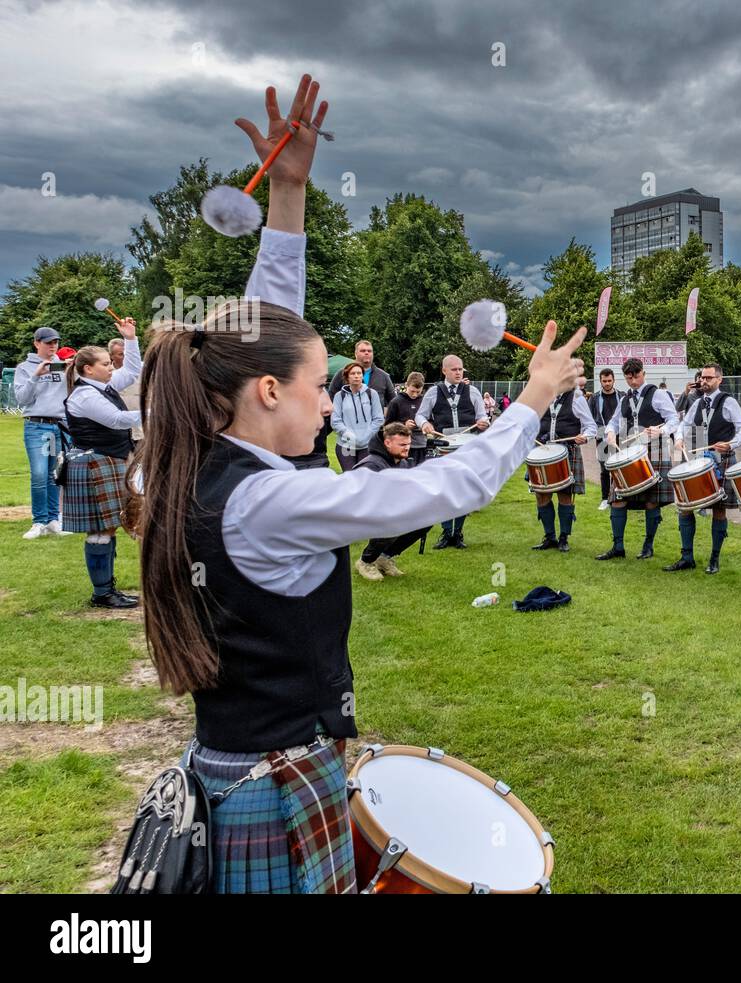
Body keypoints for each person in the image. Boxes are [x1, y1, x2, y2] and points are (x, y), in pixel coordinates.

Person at [128, 75, 587, 894]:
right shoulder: (271, 502)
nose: (327, 399)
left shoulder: (196, 457)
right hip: (270, 787)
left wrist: (290, 194)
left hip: (230, 768)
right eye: (317, 387)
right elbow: (445, 488)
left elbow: (264, 331)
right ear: (268, 394)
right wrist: (534, 397)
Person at [62, 317, 142, 607]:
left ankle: (106, 589)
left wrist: (131, 338)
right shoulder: (85, 395)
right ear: (88, 369)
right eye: (106, 364)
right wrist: (156, 412)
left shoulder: (101, 387)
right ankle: (102, 593)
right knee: (101, 528)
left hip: (108, 460)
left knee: (108, 526)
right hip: (95, 463)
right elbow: (117, 420)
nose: (112, 367)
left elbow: (132, 370)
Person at [667, 363, 741, 574]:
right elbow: (684, 424)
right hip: (697, 459)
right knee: (685, 506)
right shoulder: (697, 403)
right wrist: (678, 439)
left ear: (719, 379)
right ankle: (687, 557)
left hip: (721, 459)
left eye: (709, 378)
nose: (704, 381)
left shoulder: (728, 402)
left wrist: (731, 444)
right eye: (702, 378)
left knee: (719, 510)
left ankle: (714, 558)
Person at [596, 357, 678, 561]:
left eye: (637, 377)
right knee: (617, 499)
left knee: (652, 501)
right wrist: (610, 432)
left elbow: (674, 420)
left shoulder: (658, 394)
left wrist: (661, 431)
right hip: (628, 453)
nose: (633, 382)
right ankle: (618, 547)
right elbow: (614, 422)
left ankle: (648, 546)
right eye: (629, 378)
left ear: (644, 373)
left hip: (654, 451)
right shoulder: (624, 399)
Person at [416, 355, 489, 549]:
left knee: (464, 491)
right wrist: (425, 424)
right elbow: (420, 414)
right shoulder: (433, 392)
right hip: (443, 444)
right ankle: (447, 533)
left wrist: (484, 422)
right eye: (454, 369)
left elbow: (482, 416)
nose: (458, 373)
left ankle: (458, 534)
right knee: (445, 491)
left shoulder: (472, 391)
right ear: (444, 371)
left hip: (468, 445)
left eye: (461, 369)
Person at [352, 424, 431, 580]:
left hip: (388, 510)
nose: (407, 448)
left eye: (408, 444)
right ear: (387, 443)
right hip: (360, 515)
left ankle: (384, 557)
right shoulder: (371, 465)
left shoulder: (402, 463)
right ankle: (366, 561)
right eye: (402, 445)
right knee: (394, 519)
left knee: (426, 519)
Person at [13, 326, 69, 539]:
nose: (52, 346)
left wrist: (73, 369)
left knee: (54, 474)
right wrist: (37, 375)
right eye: (47, 342)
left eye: (55, 342)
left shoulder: (63, 366)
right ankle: (39, 521)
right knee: (38, 474)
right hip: (36, 426)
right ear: (37, 343)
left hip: (59, 425)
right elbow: (22, 399)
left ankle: (54, 519)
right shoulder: (24, 368)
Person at [530, 381, 597, 552]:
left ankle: (563, 538)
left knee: (565, 494)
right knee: (541, 494)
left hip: (567, 451)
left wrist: (585, 436)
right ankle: (549, 536)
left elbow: (591, 427)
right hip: (542, 451)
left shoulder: (576, 397)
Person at [331, 361, 383, 472]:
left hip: (367, 445)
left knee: (364, 475)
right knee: (349, 476)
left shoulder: (372, 394)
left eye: (359, 373)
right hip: (346, 445)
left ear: (362, 375)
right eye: (353, 373)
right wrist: (348, 434)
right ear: (347, 377)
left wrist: (367, 435)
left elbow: (378, 418)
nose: (356, 376)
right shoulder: (339, 396)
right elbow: (335, 421)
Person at [589, 368, 622, 508]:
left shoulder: (622, 396)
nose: (607, 383)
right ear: (600, 381)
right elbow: (589, 418)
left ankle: (620, 494)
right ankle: (605, 498)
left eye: (609, 381)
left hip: (619, 436)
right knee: (604, 469)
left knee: (620, 467)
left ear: (614, 380)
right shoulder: (594, 398)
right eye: (604, 381)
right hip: (601, 436)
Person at [328, 339, 396, 406]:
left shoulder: (383, 376)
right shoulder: (342, 374)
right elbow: (330, 399)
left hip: (376, 416)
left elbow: (393, 402)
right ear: (356, 353)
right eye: (363, 351)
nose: (366, 353)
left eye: (369, 351)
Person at [384, 372, 429, 463]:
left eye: (418, 392)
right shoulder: (395, 402)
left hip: (423, 444)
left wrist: (425, 424)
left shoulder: (424, 400)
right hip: (403, 446)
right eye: (412, 391)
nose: (415, 395)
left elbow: (431, 420)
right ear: (406, 385)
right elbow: (387, 426)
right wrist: (404, 426)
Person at [108, 338, 145, 443]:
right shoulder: (106, 372)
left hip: (142, 428)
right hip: (118, 429)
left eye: (126, 354)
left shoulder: (143, 368)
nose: (125, 357)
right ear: (111, 356)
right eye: (121, 354)